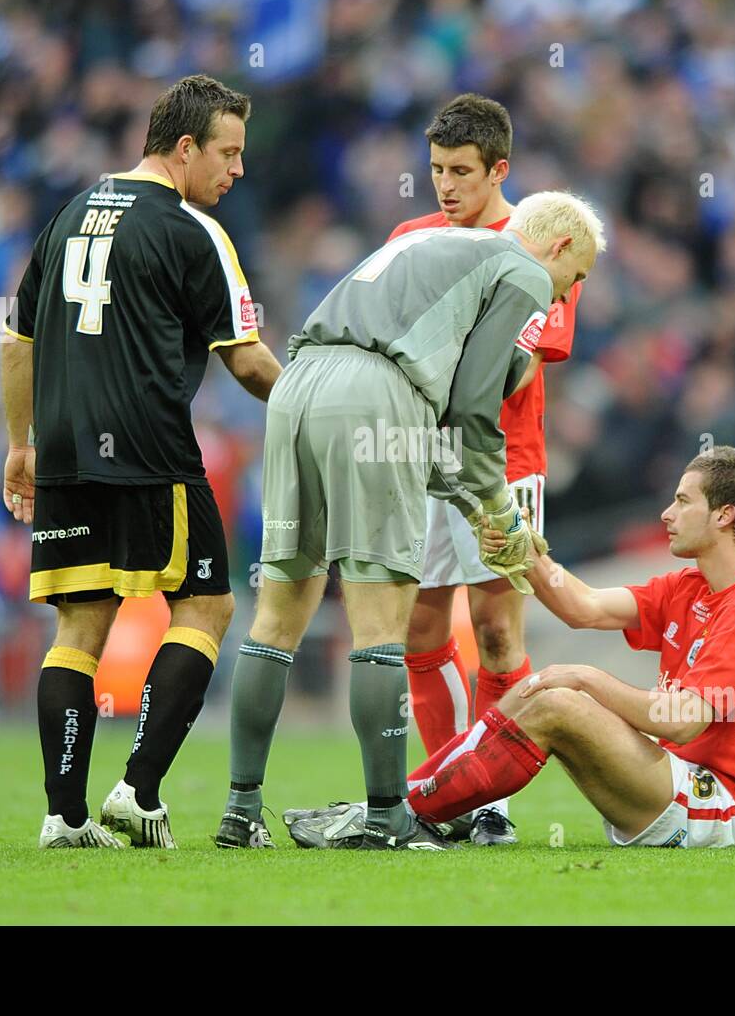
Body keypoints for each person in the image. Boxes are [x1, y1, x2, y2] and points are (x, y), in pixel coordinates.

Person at [216, 191, 604, 851]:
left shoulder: (418, 242)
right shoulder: (526, 269)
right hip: (374, 393)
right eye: (580, 274)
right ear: (561, 246)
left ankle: (240, 810)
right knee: (380, 624)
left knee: (278, 613)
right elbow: (475, 413)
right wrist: (502, 518)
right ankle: (388, 814)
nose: (572, 289)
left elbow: (447, 417)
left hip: (296, 387)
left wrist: (470, 499)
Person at [1, 74, 282, 849]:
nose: (238, 169)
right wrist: (316, 408)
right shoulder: (192, 230)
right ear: (184, 147)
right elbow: (249, 362)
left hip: (60, 449)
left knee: (79, 625)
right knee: (208, 606)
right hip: (151, 450)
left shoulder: (66, 214)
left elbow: (15, 343)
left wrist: (20, 443)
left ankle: (63, 816)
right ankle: (139, 789)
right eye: (228, 152)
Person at [287, 447, 735, 850]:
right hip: (669, 784)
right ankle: (393, 807)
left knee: (559, 700)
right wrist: (522, 543)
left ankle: (391, 814)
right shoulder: (689, 587)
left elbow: (682, 721)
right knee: (538, 689)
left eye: (682, 500)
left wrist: (585, 680)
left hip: (725, 812)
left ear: (724, 515)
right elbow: (581, 605)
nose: (666, 513)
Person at [388, 93, 583, 845]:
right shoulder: (410, 236)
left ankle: (491, 795)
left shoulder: (545, 242)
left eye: (462, 171)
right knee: (421, 628)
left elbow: (522, 364)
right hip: (415, 458)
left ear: (500, 168)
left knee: (497, 632)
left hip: (502, 464)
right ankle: (446, 792)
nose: (446, 185)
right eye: (436, 170)